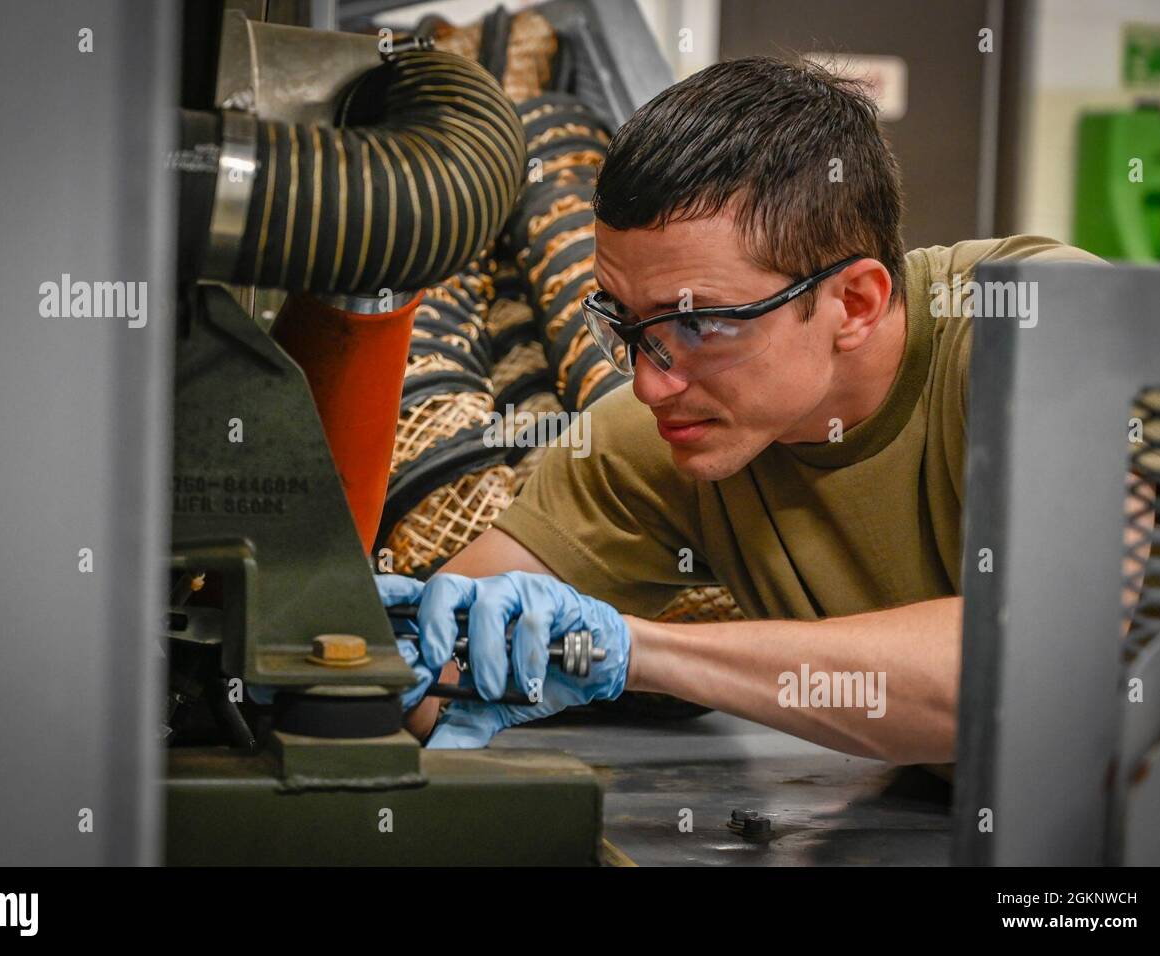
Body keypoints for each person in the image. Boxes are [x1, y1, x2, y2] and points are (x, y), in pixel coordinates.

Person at [380, 56, 1115, 763]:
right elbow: (434, 667)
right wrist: (389, 651)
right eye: (625, 326)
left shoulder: (1044, 330)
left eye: (699, 324)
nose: (650, 384)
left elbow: (1040, 673)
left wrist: (637, 652)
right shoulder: (658, 440)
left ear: (855, 303)